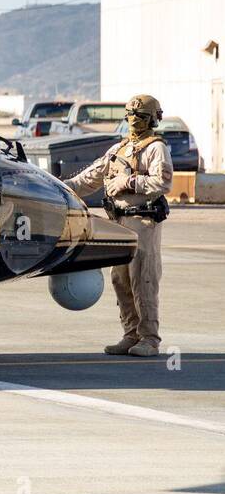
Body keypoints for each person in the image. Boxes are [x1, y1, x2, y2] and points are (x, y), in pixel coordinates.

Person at [63, 94, 172, 357]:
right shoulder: (119, 149)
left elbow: (163, 182)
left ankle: (149, 338)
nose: (135, 120)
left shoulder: (156, 148)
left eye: (141, 116)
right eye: (131, 114)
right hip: (119, 222)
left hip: (142, 221)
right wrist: (59, 187)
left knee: (142, 279)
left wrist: (129, 182)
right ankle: (131, 333)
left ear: (153, 119)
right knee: (120, 280)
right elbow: (91, 177)